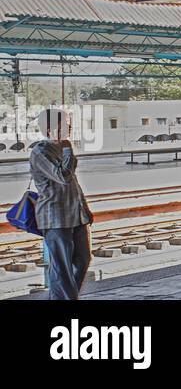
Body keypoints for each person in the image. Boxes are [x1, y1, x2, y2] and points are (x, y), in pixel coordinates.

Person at [29, 108, 93, 300]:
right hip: (55, 216)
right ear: (50, 128)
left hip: (75, 214)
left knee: (83, 260)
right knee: (62, 267)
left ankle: (60, 298)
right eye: (65, 124)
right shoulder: (41, 151)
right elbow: (63, 177)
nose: (70, 127)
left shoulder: (63, 148)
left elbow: (73, 184)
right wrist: (67, 150)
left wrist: (85, 208)